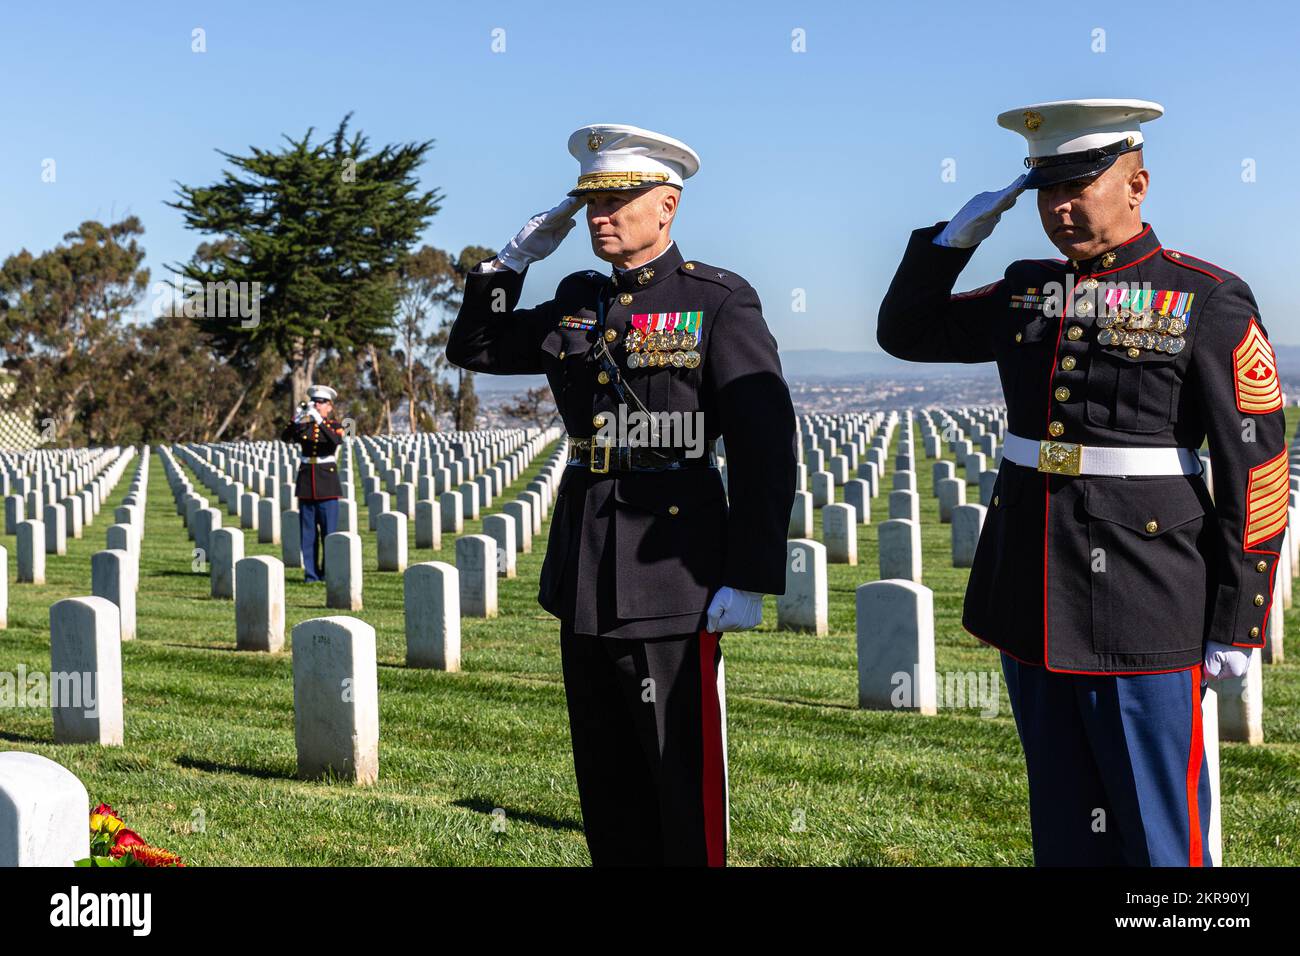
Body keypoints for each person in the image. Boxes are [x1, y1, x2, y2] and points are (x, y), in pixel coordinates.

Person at [877, 99, 1285, 866]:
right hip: (1032, 591)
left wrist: (1239, 618)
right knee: (1066, 830)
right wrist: (951, 242)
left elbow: (1255, 463)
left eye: (1079, 186)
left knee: (1159, 837)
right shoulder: (1027, 287)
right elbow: (906, 332)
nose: (1058, 208)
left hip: (1146, 599)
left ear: (1137, 185)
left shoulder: (1205, 295)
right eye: (1044, 191)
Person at [446, 124, 797, 866]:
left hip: (676, 568)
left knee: (679, 778)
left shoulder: (717, 300)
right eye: (591, 202)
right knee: (607, 786)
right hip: (585, 561)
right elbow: (475, 349)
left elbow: (766, 447)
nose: (601, 216)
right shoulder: (578, 299)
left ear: (666, 206)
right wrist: (509, 263)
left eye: (619, 200)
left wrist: (750, 572)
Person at [280, 384, 346, 582]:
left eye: (322, 402)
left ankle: (328, 572)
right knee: (307, 534)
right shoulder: (305, 426)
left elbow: (335, 441)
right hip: (307, 484)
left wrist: (319, 421)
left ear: (330, 406)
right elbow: (286, 437)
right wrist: (298, 416)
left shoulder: (335, 426)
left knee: (329, 533)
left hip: (327, 485)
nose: (318, 405)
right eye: (316, 402)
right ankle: (311, 574)